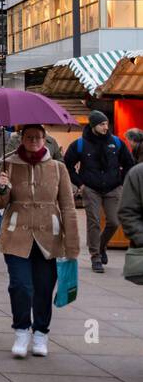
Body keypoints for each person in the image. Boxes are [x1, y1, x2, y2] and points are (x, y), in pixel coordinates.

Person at [0, 124, 80, 358]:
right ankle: (21, 330)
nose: (34, 141)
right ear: (22, 138)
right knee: (20, 285)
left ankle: (41, 332)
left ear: (45, 140)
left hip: (48, 236)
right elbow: (1, 204)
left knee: (43, 287)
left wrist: (71, 243)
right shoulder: (8, 163)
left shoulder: (58, 168)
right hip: (16, 233)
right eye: (29, 137)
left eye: (38, 137)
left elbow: (68, 207)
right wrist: (2, 188)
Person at [63, 110, 134, 273]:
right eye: (102, 124)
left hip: (113, 187)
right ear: (93, 125)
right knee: (93, 222)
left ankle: (101, 246)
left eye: (107, 124)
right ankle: (95, 257)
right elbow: (67, 165)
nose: (105, 127)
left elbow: (129, 163)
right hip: (91, 188)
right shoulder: (80, 144)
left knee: (114, 221)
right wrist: (80, 184)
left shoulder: (116, 142)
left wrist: (121, 182)